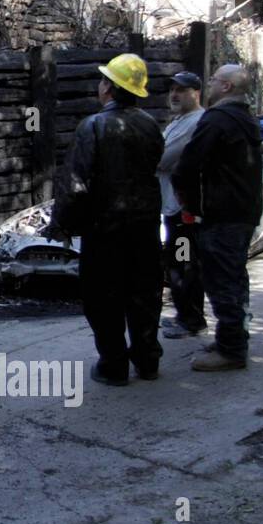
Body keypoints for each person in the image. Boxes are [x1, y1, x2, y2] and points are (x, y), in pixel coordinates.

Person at [51, 53, 165, 386]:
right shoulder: (149, 124)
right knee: (145, 295)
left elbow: (75, 183)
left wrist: (64, 224)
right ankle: (147, 361)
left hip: (105, 232)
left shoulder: (93, 127)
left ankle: (114, 365)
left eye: (103, 81)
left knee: (104, 299)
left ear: (109, 89)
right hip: (144, 229)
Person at [171, 64, 263, 371]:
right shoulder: (247, 119)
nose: (207, 84)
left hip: (221, 214)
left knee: (222, 281)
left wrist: (191, 207)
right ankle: (232, 337)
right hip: (244, 211)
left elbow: (187, 166)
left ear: (225, 87)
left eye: (212, 80)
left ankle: (231, 350)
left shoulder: (217, 119)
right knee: (235, 278)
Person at [157, 71, 206, 338]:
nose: (174, 95)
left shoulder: (196, 122)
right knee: (178, 262)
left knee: (184, 263)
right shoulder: (180, 120)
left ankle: (191, 319)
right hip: (173, 206)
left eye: (181, 90)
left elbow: (162, 159)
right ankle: (185, 315)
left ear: (195, 93)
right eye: (172, 89)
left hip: (183, 209)